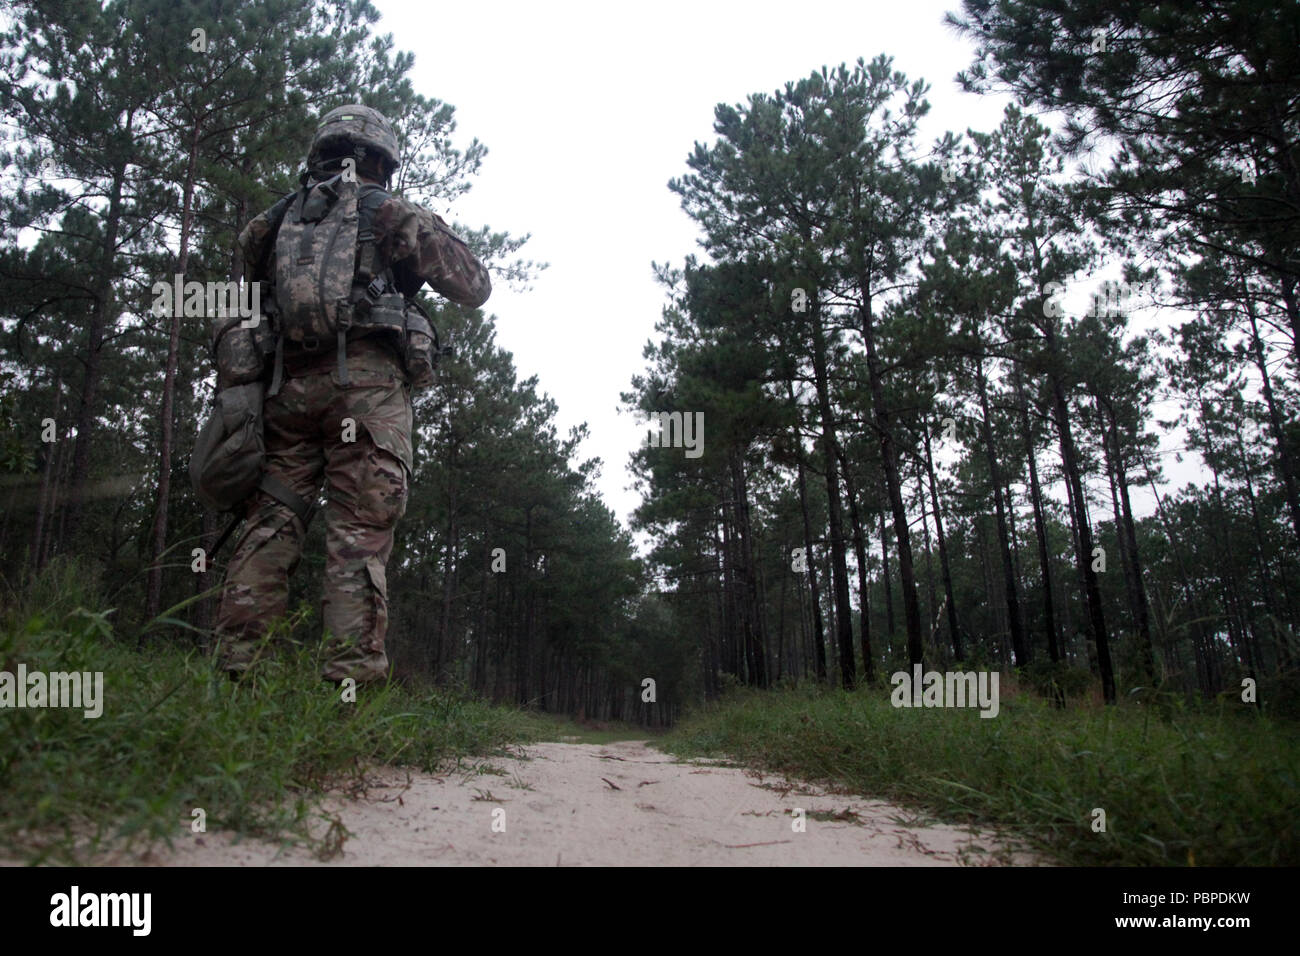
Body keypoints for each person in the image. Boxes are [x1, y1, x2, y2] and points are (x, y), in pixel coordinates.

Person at [214, 104, 490, 684]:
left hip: (285, 393)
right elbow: (474, 285)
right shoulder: (388, 211)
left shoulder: (269, 225)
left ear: (319, 154)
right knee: (358, 538)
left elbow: (236, 309)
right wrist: (425, 225)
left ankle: (237, 681)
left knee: (268, 526)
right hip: (365, 396)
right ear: (383, 162)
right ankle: (348, 694)